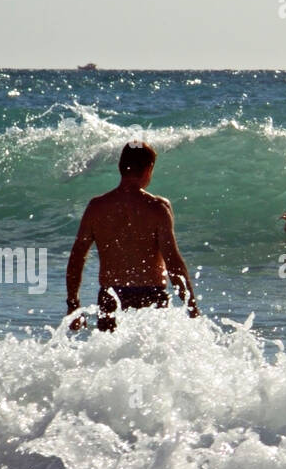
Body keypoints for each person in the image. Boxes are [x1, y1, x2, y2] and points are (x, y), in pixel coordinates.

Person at [65, 141, 200, 332]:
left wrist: (73, 304)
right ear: (148, 169)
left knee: (109, 359)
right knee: (152, 360)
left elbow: (77, 258)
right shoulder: (158, 207)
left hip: (110, 296)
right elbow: (172, 261)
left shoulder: (96, 207)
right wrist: (191, 305)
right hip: (151, 296)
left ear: (121, 167)